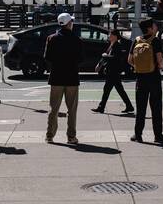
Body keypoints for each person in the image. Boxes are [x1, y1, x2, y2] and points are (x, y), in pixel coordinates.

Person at [44, 12, 83, 144]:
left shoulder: (51, 38)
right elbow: (81, 59)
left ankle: (50, 135)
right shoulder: (77, 40)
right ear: (69, 23)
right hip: (72, 77)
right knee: (72, 109)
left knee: (53, 108)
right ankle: (71, 136)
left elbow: (47, 57)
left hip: (56, 77)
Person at [129, 18, 163, 144]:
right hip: (154, 78)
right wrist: (162, 66)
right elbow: (159, 59)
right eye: (154, 25)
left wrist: (138, 66)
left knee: (141, 108)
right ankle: (158, 135)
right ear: (150, 29)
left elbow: (129, 59)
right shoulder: (155, 41)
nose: (156, 27)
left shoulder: (137, 40)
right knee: (156, 107)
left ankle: (138, 134)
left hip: (140, 78)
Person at [92, 30, 133, 115]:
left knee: (107, 89)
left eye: (110, 34)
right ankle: (129, 106)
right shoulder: (111, 45)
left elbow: (116, 58)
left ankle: (101, 107)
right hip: (112, 71)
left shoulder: (118, 45)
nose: (108, 36)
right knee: (118, 90)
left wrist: (106, 57)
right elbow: (105, 56)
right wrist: (99, 65)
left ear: (115, 36)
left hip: (114, 71)